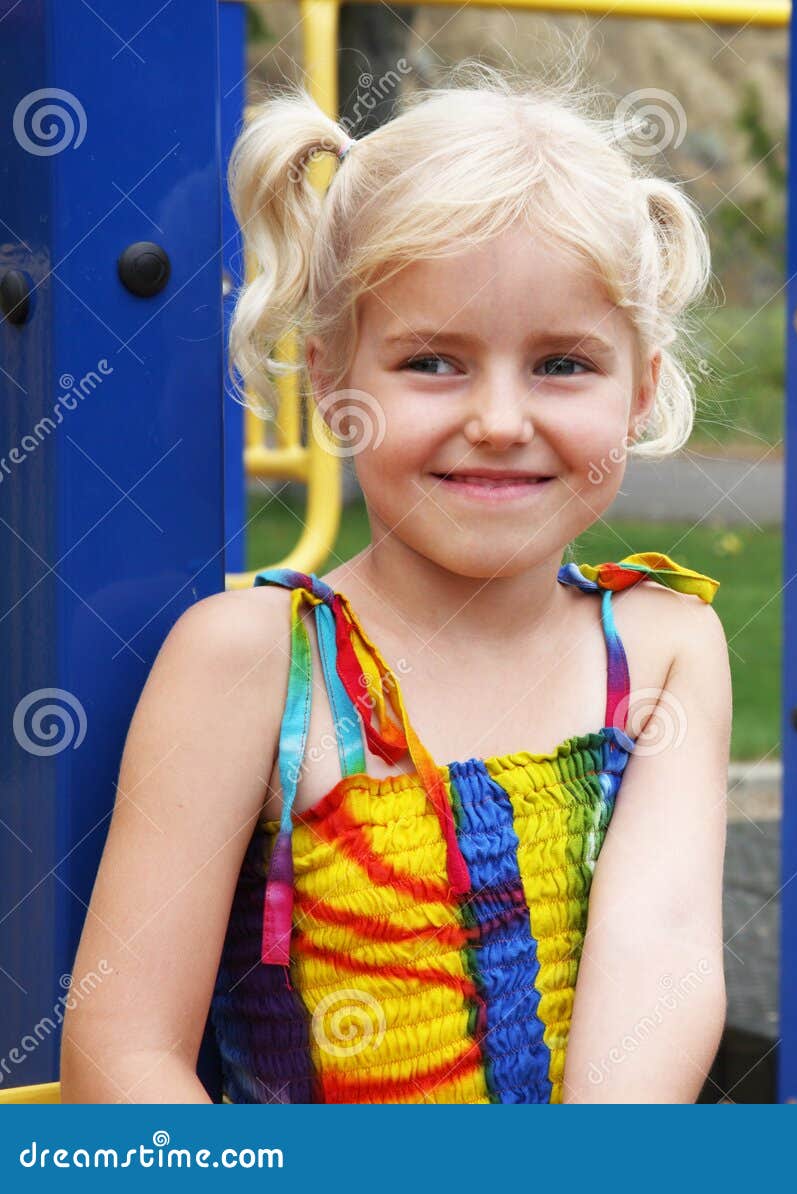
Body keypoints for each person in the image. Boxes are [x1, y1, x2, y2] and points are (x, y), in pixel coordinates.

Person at [61, 62, 730, 1104]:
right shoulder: (252, 658)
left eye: (563, 364)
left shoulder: (660, 643)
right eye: (433, 362)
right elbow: (122, 1051)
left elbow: (665, 959)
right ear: (331, 381)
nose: (501, 421)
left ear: (641, 387)